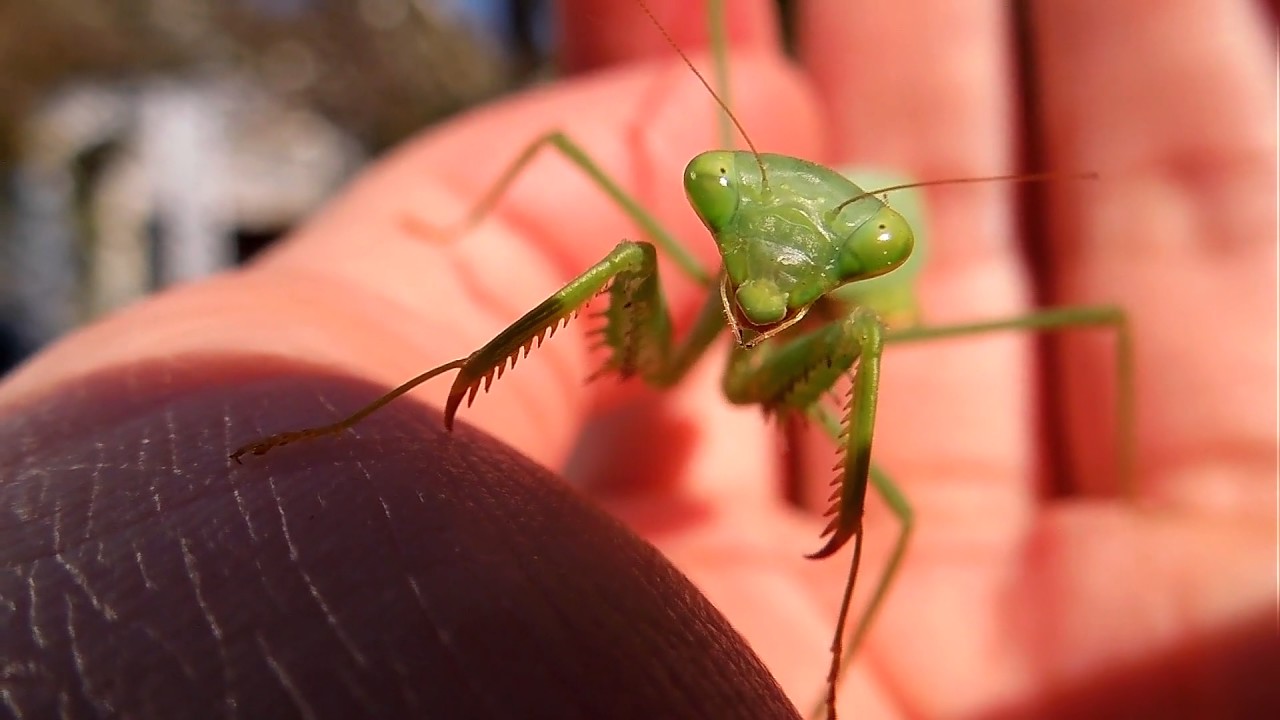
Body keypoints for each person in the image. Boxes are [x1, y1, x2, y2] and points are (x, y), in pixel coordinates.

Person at [0, 1, 1274, 717]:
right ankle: (379, 416)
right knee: (600, 225)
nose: (761, 283)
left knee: (961, 414)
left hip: (881, 305)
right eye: (719, 204)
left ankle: (834, 670)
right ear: (714, 200)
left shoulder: (855, 302)